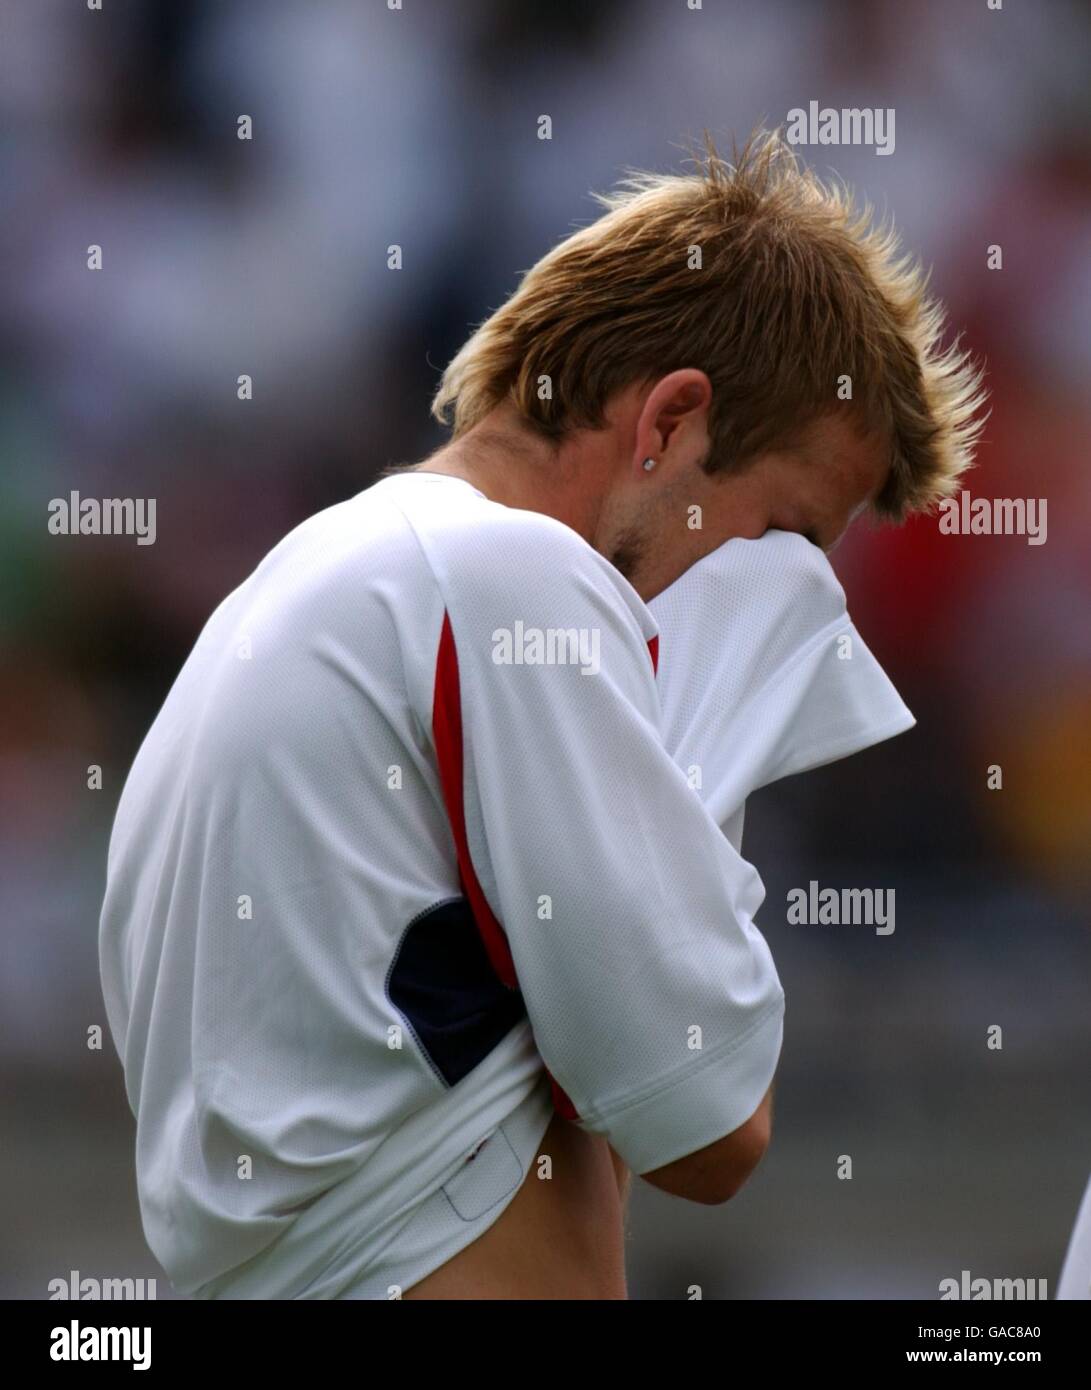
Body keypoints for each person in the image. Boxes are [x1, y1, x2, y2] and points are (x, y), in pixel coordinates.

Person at [98, 133, 983, 1300]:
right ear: (668, 425)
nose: (785, 599)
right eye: (785, 539)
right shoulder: (512, 576)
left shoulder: (299, 587)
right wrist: (723, 729)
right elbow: (712, 1119)